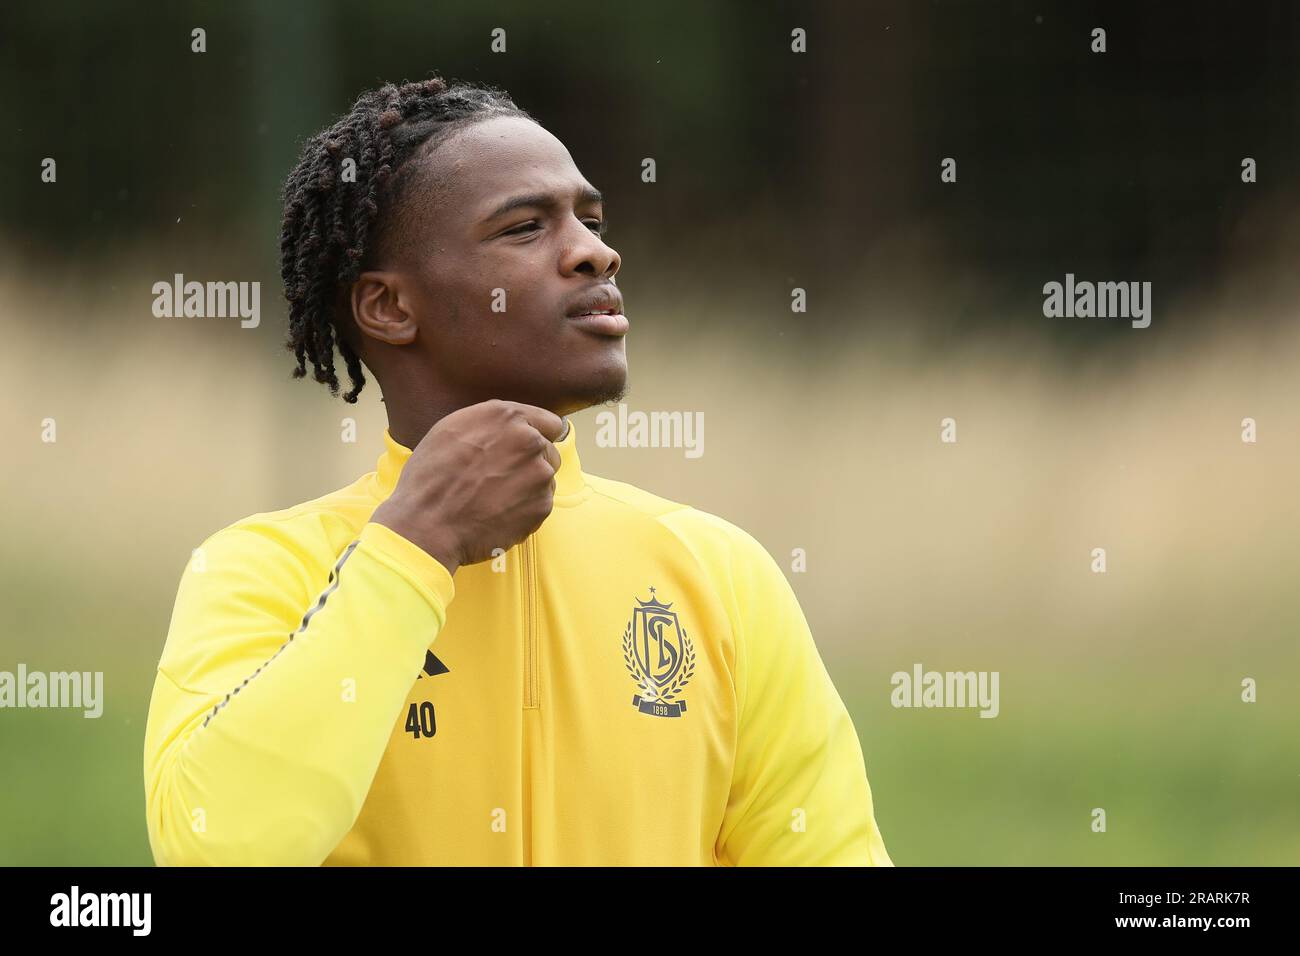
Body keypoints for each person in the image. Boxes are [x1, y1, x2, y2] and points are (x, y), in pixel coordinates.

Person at [142, 76, 892, 866]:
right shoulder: (262, 572)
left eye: (593, 221)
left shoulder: (721, 574)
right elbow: (218, 846)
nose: (597, 251)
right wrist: (414, 545)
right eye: (526, 228)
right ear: (389, 307)